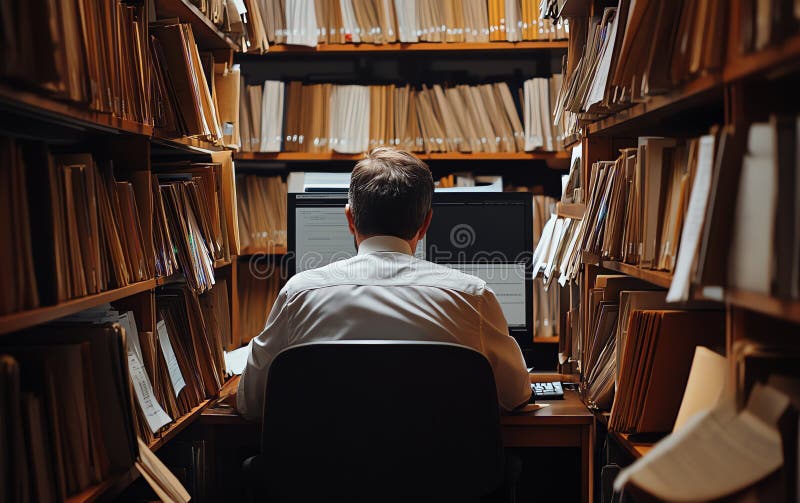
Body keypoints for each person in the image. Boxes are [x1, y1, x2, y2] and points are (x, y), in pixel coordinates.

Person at [236, 147, 531, 420]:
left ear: (350, 219)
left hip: (323, 474)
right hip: (441, 475)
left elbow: (251, 403)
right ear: (426, 223)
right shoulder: (472, 297)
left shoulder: (298, 295)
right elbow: (515, 396)